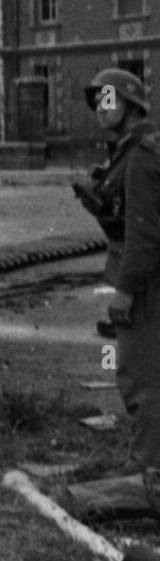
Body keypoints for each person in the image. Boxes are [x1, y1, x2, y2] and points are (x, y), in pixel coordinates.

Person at [73, 68, 160, 469]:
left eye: (108, 100)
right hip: (141, 277)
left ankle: (147, 472)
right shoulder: (132, 149)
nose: (100, 109)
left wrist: (124, 291)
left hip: (143, 284)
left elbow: (143, 233)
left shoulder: (140, 155)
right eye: (97, 102)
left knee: (138, 377)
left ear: (131, 104)